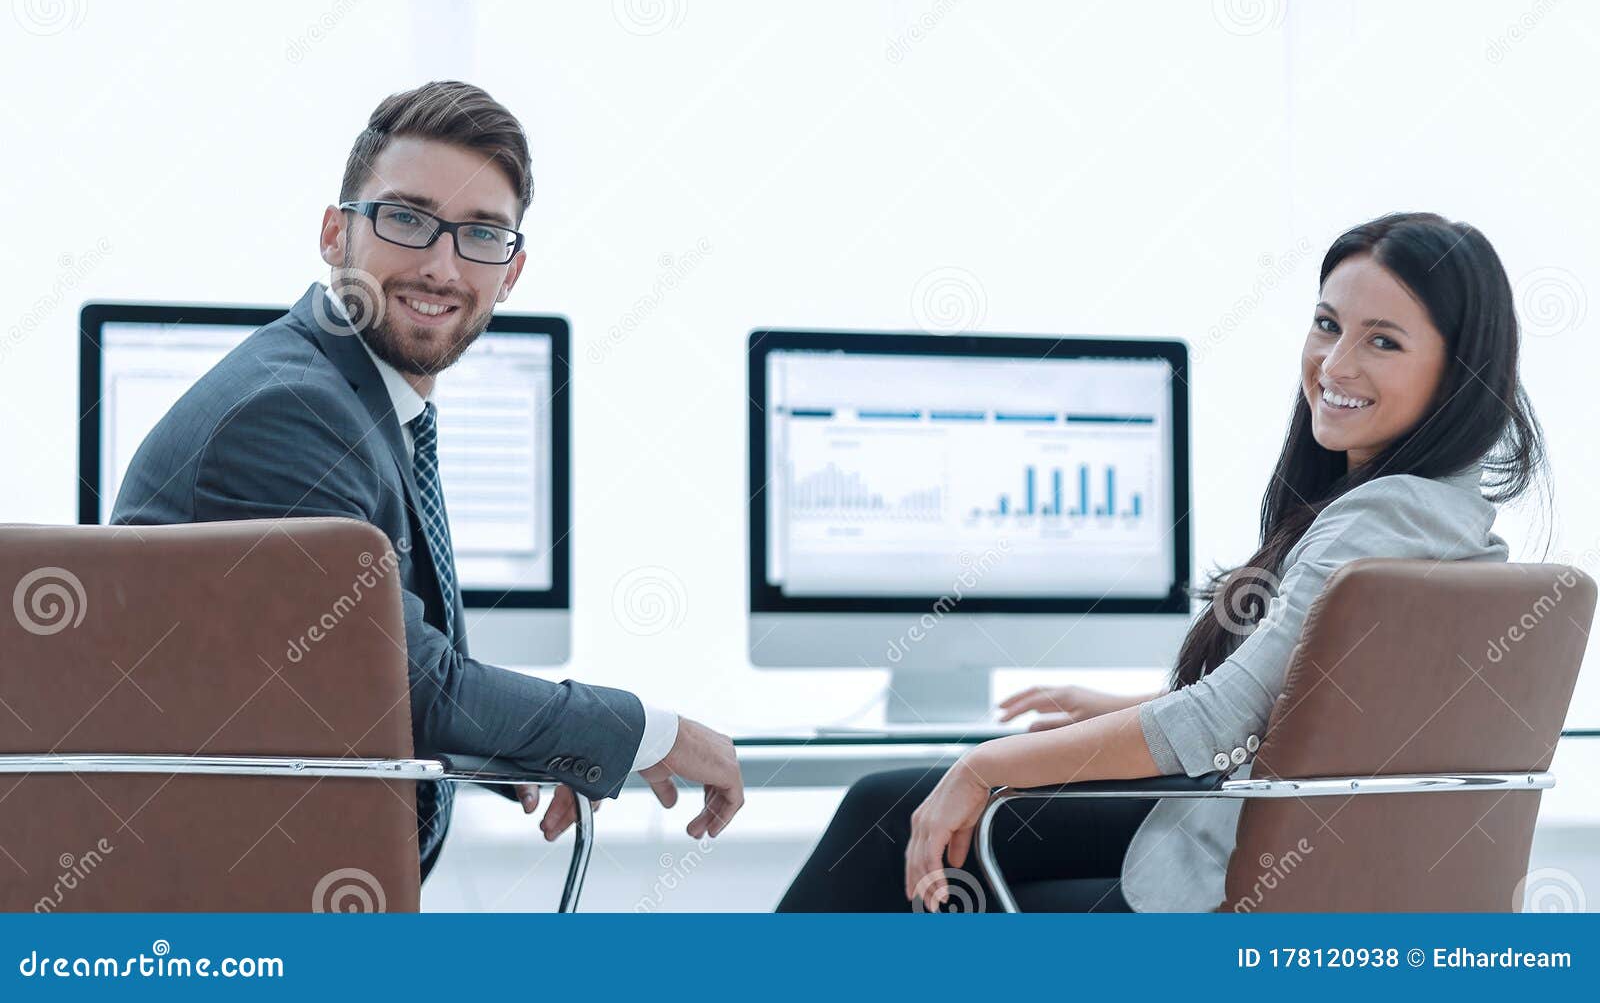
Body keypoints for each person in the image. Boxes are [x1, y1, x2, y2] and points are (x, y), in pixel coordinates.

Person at [777, 211, 1546, 912]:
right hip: (1276, 859)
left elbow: (1219, 722)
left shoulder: (1384, 516)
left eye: (1383, 340)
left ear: (1459, 371)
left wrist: (985, 764)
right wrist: (1119, 707)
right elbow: (1306, 717)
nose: (1334, 363)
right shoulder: (1451, 517)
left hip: (1228, 887)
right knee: (891, 812)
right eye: (1325, 324)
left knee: (897, 827)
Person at [112, 80, 744, 882]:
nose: (442, 265)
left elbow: (354, 679)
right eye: (407, 219)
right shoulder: (288, 415)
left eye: (482, 234)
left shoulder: (353, 393)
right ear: (335, 231)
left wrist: (517, 742)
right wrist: (652, 731)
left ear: (511, 272)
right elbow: (402, 688)